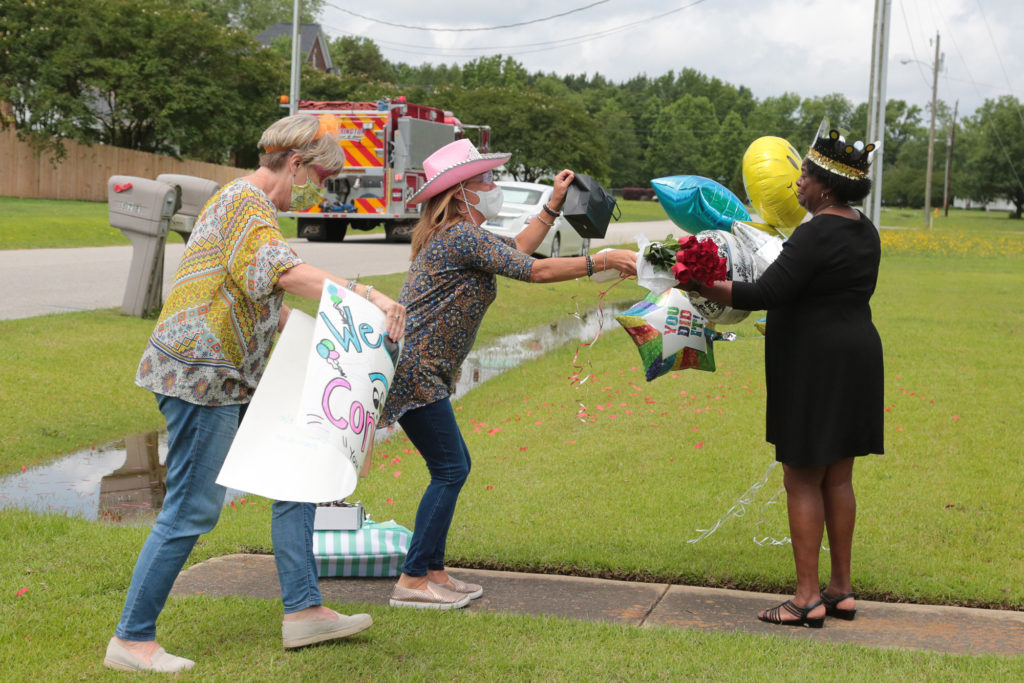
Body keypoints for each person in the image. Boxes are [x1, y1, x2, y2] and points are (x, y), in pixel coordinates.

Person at [104, 114, 407, 672]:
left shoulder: (247, 206)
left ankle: (304, 611)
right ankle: (131, 639)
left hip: (231, 374)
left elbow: (265, 297)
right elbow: (284, 272)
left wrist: (336, 345)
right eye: (317, 178)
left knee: (296, 473)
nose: (315, 191)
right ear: (296, 163)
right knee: (191, 510)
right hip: (200, 376)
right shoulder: (247, 203)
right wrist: (366, 296)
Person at [379, 139, 638, 609]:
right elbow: (533, 272)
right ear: (460, 193)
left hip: (424, 369)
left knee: (452, 467)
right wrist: (601, 261)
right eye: (485, 180)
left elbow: (518, 250)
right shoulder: (460, 235)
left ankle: (432, 570)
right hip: (416, 370)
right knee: (451, 468)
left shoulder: (465, 236)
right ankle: (413, 579)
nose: (493, 187)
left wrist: (552, 207)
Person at [689, 120, 883, 628]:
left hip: (814, 362)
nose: (797, 181)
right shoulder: (865, 228)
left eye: (806, 175)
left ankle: (805, 598)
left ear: (825, 186)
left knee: (801, 477)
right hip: (857, 354)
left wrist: (701, 284)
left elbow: (764, 294)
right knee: (839, 476)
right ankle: (840, 590)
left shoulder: (814, 233)